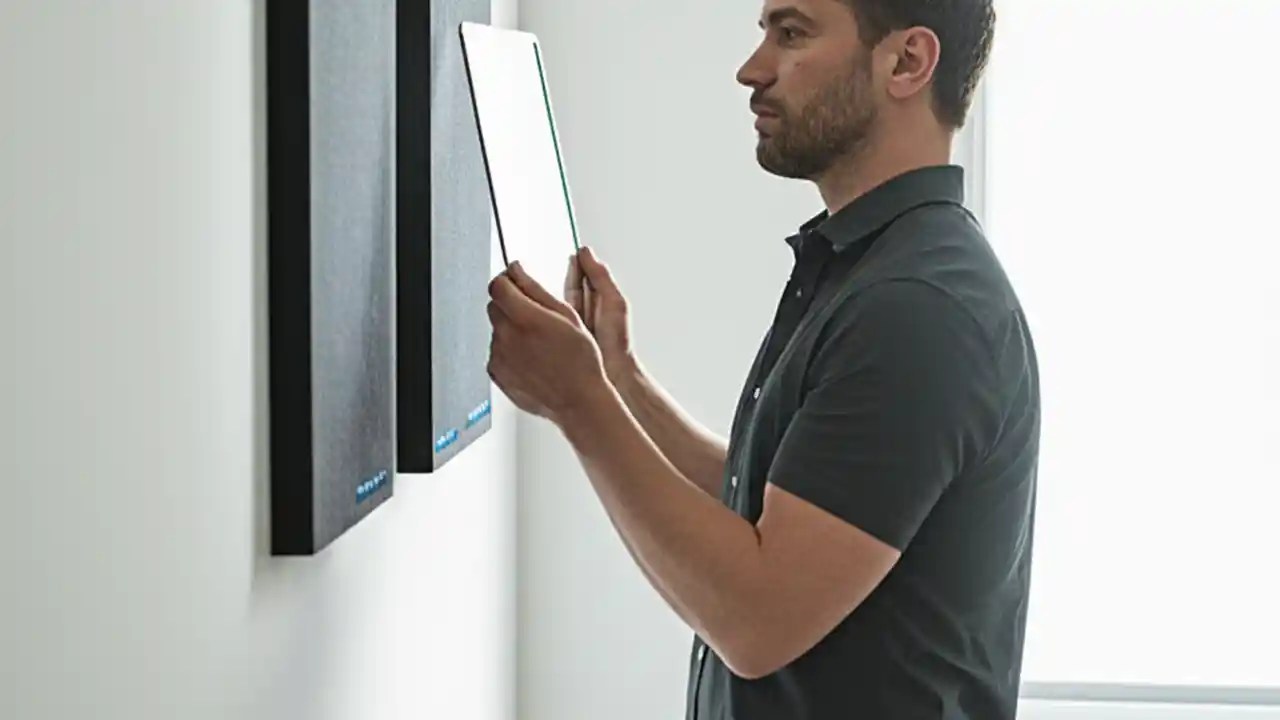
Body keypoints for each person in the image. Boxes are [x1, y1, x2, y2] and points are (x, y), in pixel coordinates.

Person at [484, 0, 1039, 717]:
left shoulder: (919, 307)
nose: (752, 70)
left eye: (792, 34)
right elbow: (782, 506)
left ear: (907, 62)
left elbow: (756, 618)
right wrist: (620, 382)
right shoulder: (873, 271)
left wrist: (580, 403)